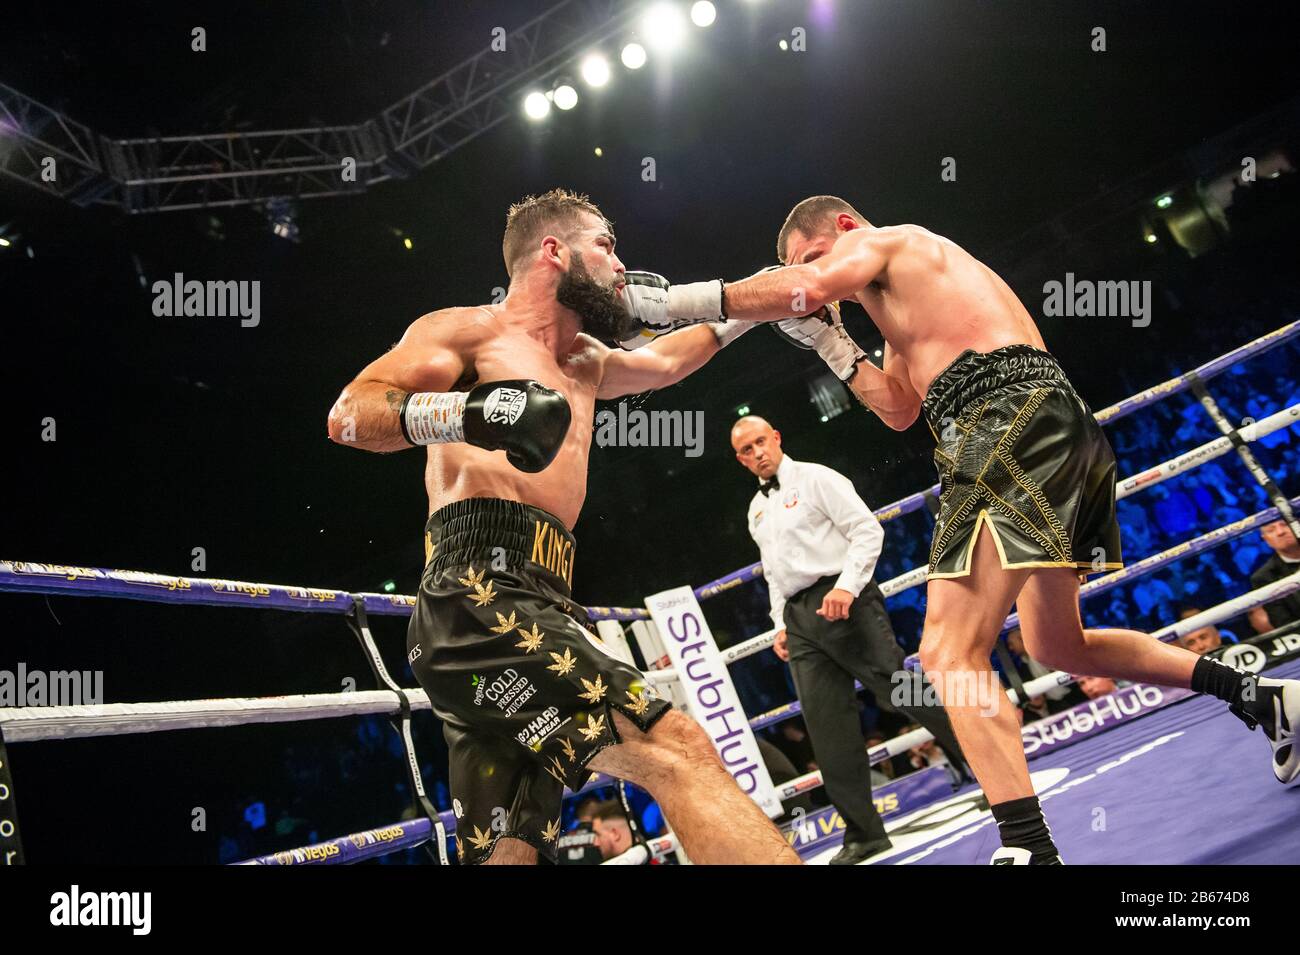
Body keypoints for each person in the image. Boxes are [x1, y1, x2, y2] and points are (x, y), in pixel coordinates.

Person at [616, 194, 1300, 862]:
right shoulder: (895, 323)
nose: (816, 279)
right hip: (1044, 433)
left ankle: (1029, 848)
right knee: (1058, 642)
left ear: (846, 227)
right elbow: (896, 411)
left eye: (814, 256)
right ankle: (1265, 696)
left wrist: (672, 302)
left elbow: (809, 285)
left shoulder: (896, 242)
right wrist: (829, 338)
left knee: (946, 656)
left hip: (1007, 420)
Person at [327, 188, 797, 865]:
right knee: (674, 747)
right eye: (607, 245)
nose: (619, 264)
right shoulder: (471, 332)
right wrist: (472, 414)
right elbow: (349, 414)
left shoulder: (586, 364)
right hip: (476, 592)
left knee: (513, 847)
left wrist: (767, 297)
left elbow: (670, 360)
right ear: (554, 251)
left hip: (536, 594)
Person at [732, 414, 966, 863]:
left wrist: (847, 586)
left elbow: (866, 530)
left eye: (762, 441)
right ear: (740, 459)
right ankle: (863, 834)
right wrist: (780, 624)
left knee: (905, 691)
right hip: (801, 621)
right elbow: (775, 574)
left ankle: (985, 762)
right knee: (827, 727)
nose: (758, 452)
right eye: (747, 449)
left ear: (777, 437)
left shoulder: (817, 478)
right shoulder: (756, 510)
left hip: (846, 599)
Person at [1249, 519, 1300, 633]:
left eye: (1284, 525)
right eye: (1271, 530)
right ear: (1266, 539)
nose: (1280, 532)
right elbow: (1283, 623)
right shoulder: (1264, 578)